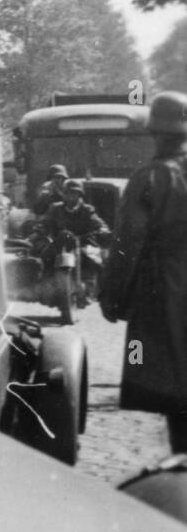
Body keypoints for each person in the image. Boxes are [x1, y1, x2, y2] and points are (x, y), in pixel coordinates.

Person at [100, 91, 187, 452]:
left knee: (173, 387)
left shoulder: (150, 177)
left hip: (164, 294)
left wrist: (113, 295)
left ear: (154, 132)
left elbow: (128, 244)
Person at [34, 178, 112, 280]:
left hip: (82, 245)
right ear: (63, 195)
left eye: (74, 194)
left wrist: (103, 229)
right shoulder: (55, 209)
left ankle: (98, 289)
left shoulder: (87, 210)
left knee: (98, 263)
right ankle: (44, 284)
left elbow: (96, 222)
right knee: (44, 259)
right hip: (59, 245)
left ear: (79, 195)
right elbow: (45, 221)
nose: (70, 197)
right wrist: (41, 228)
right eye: (68, 194)